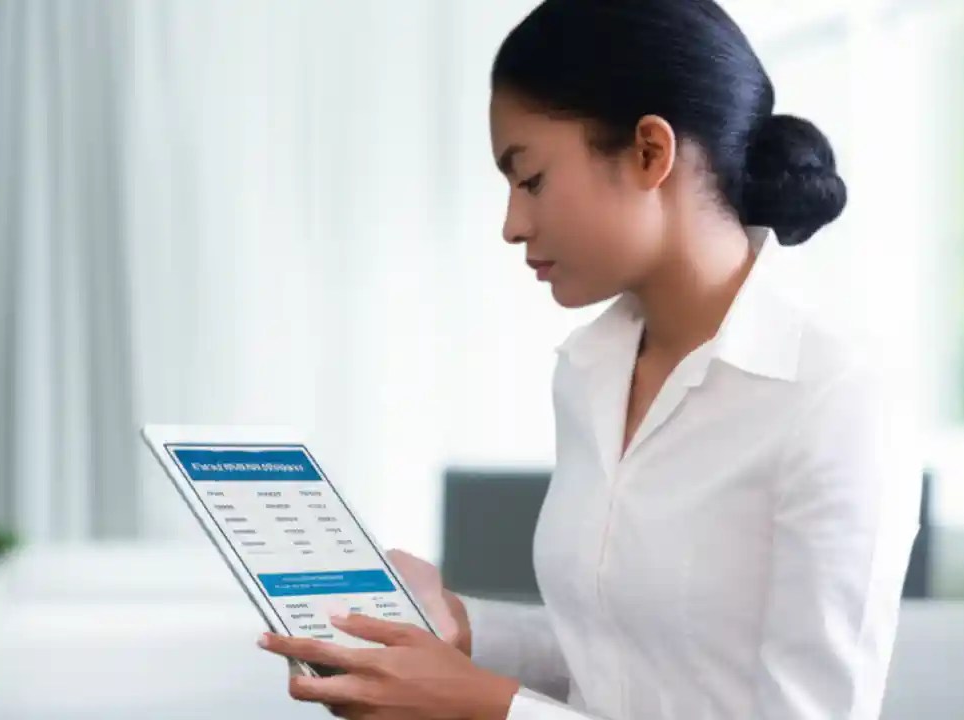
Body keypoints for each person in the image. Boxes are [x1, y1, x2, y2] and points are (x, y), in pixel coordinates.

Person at [258, 0, 923, 717]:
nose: (512, 224)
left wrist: (487, 707)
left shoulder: (834, 399)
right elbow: (624, 655)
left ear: (649, 151)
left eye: (531, 179)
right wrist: (461, 625)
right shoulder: (592, 371)